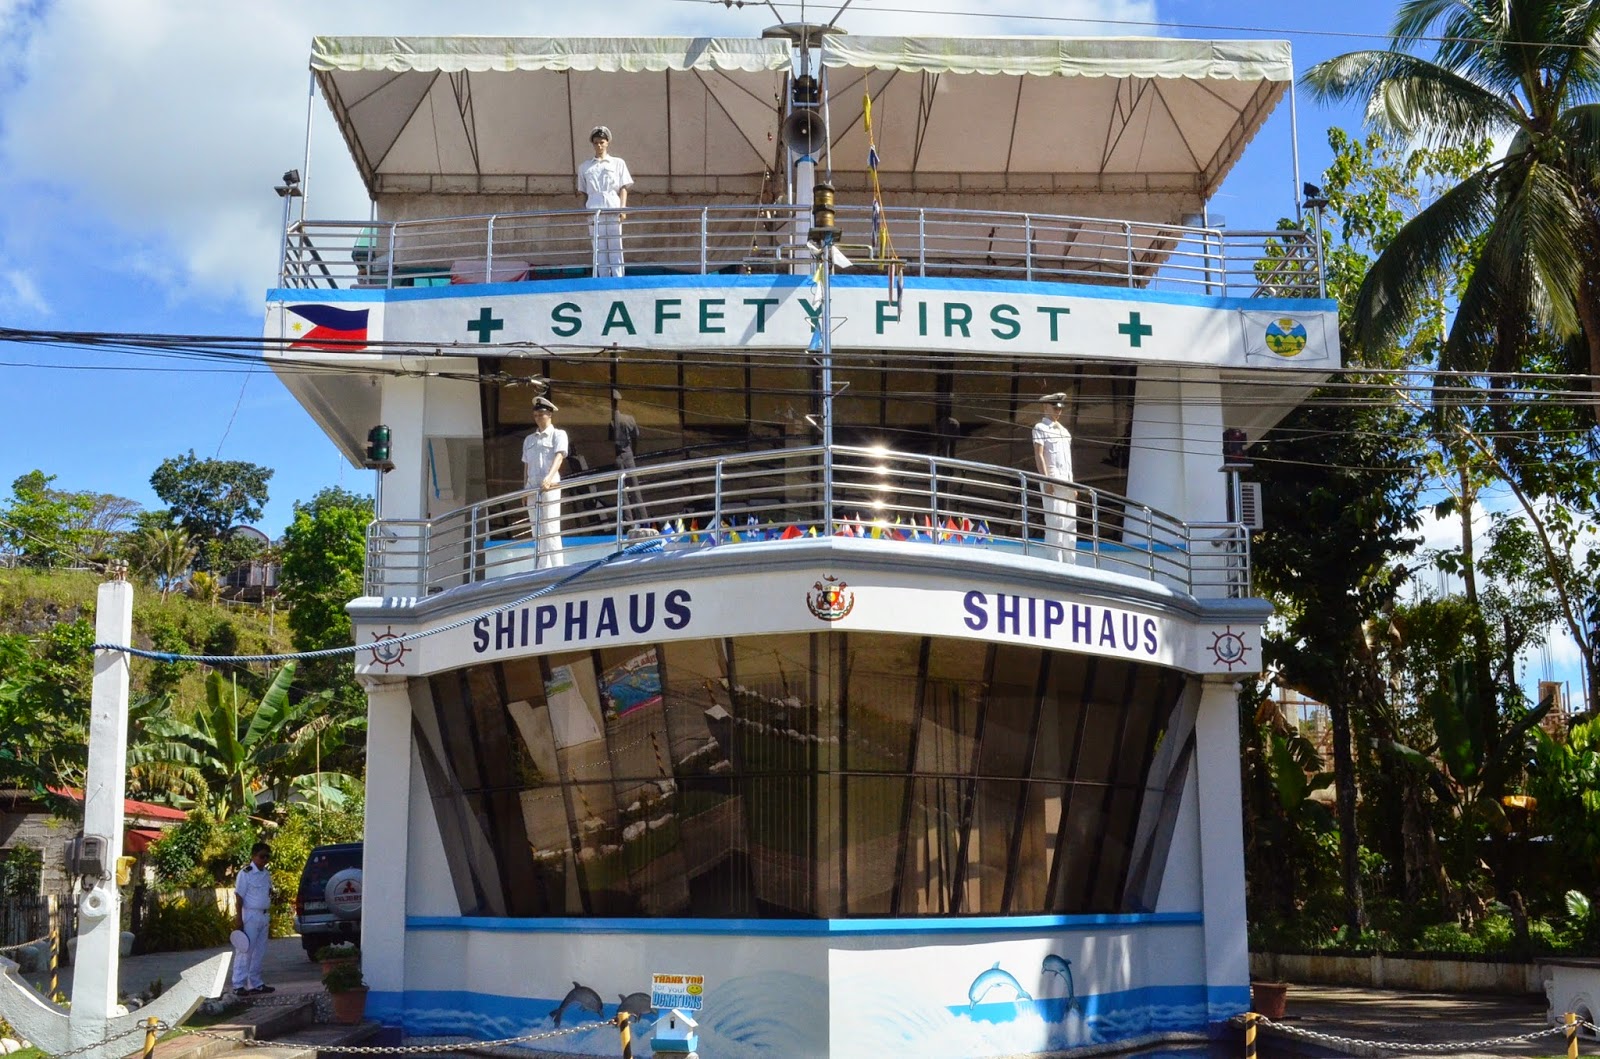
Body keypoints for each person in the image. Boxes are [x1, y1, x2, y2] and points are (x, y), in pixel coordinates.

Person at [577, 126, 633, 278]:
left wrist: (623, 209)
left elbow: (623, 188)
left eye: (602, 142)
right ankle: (602, 279)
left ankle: (618, 279)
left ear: (607, 143)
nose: (599, 146)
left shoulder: (618, 163)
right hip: (594, 208)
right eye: (596, 143)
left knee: (615, 246)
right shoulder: (585, 167)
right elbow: (582, 192)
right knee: (599, 248)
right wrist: (585, 212)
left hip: (612, 206)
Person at [523, 396, 569, 569]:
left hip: (549, 486)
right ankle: (542, 567)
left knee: (550, 528)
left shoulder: (558, 434)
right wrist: (524, 489)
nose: (538, 417)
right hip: (532, 487)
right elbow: (526, 465)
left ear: (549, 414)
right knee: (537, 530)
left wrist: (549, 478)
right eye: (536, 414)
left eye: (541, 414)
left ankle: (558, 567)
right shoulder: (529, 440)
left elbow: (559, 457)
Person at [1032, 392, 1077, 561]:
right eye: (1054, 407)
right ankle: (1055, 563)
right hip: (1053, 480)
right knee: (1055, 524)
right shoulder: (1040, 428)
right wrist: (1046, 480)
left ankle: (1070, 563)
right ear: (1045, 407)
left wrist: (1073, 485)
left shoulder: (1064, 432)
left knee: (1070, 527)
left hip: (1066, 483)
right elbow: (1039, 455)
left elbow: (1068, 461)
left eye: (1060, 409)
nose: (1058, 411)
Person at [231, 841, 274, 995]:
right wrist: (238, 919)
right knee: (245, 950)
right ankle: (238, 984)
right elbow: (239, 897)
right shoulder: (245, 873)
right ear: (253, 856)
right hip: (250, 915)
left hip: (263, 915)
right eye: (262, 856)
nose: (265, 860)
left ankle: (255, 983)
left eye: (267, 857)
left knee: (259, 951)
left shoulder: (266, 874)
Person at [610, 389, 649, 523]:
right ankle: (644, 519)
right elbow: (636, 437)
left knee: (623, 492)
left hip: (619, 457)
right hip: (629, 454)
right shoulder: (629, 419)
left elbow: (611, 440)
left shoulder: (612, 422)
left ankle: (629, 522)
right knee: (635, 488)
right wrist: (634, 452)